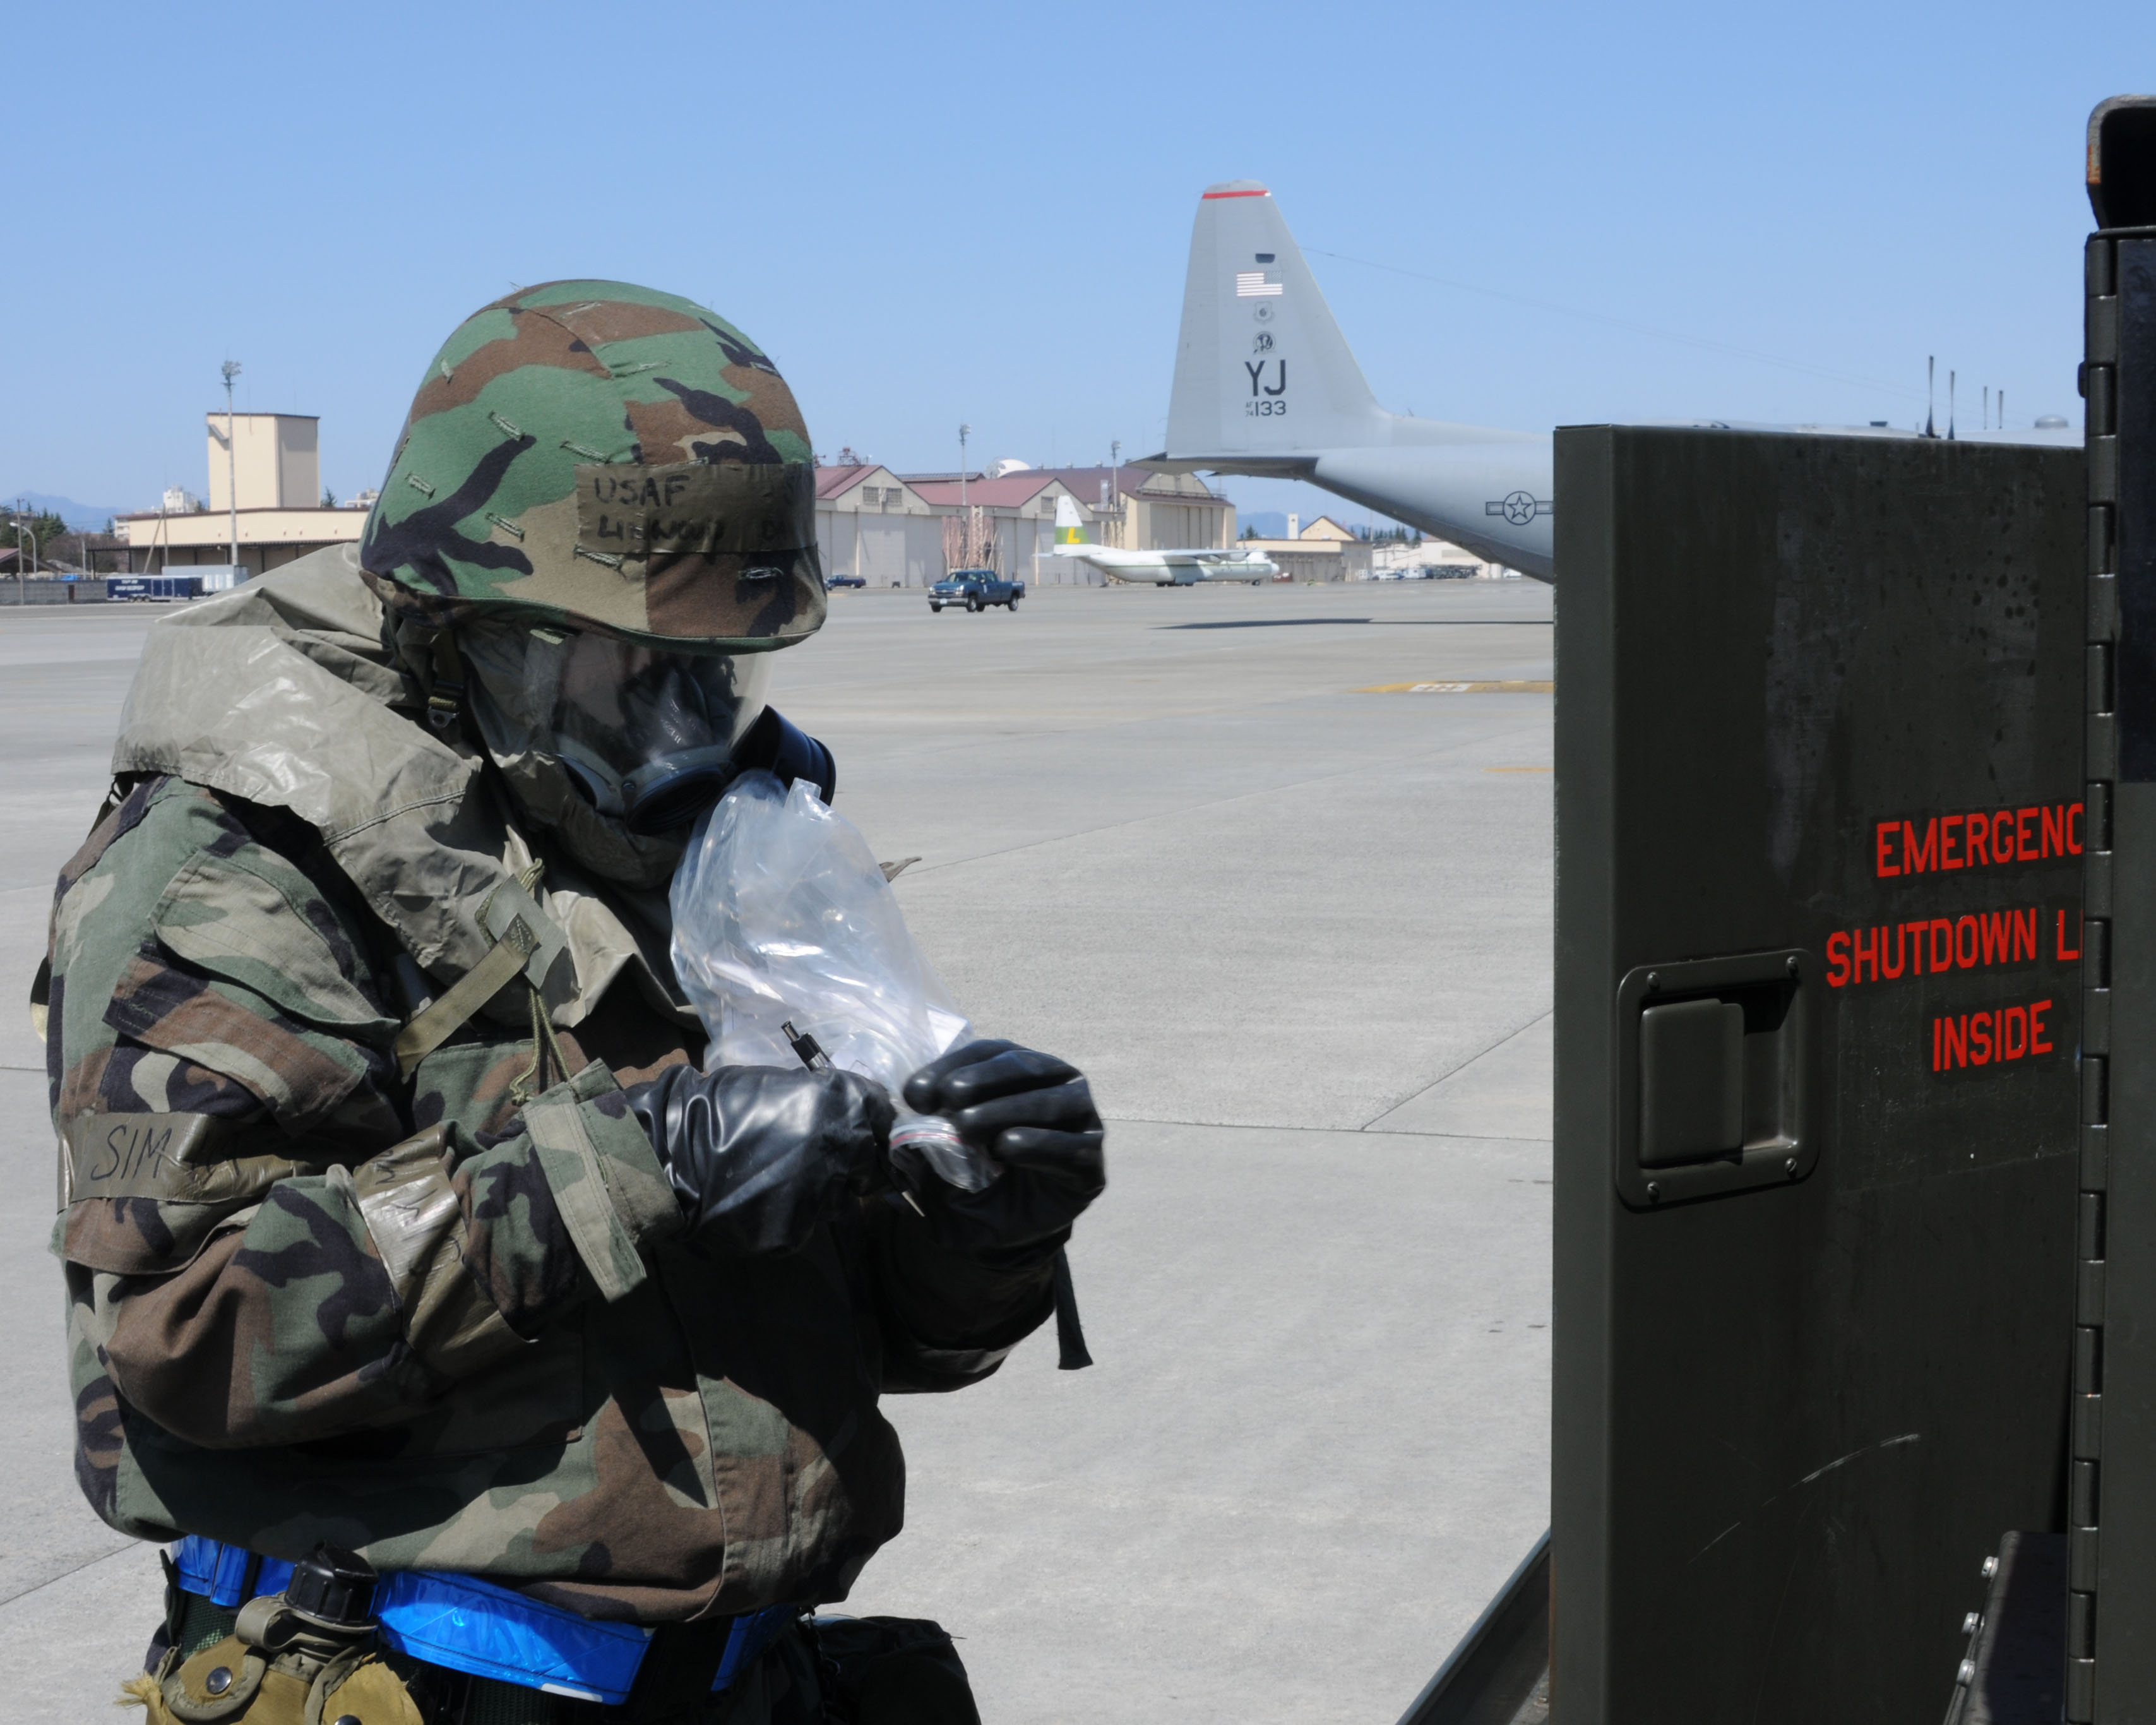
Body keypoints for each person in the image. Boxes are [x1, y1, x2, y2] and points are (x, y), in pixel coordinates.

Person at [40, 282, 1105, 1722]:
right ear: (455, 624)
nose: (680, 719)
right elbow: (189, 1335)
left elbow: (842, 1332)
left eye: (718, 671)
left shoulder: (665, 833)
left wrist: (983, 1225)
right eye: (625, 664)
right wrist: (633, 1163)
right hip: (421, 1682)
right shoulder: (246, 866)